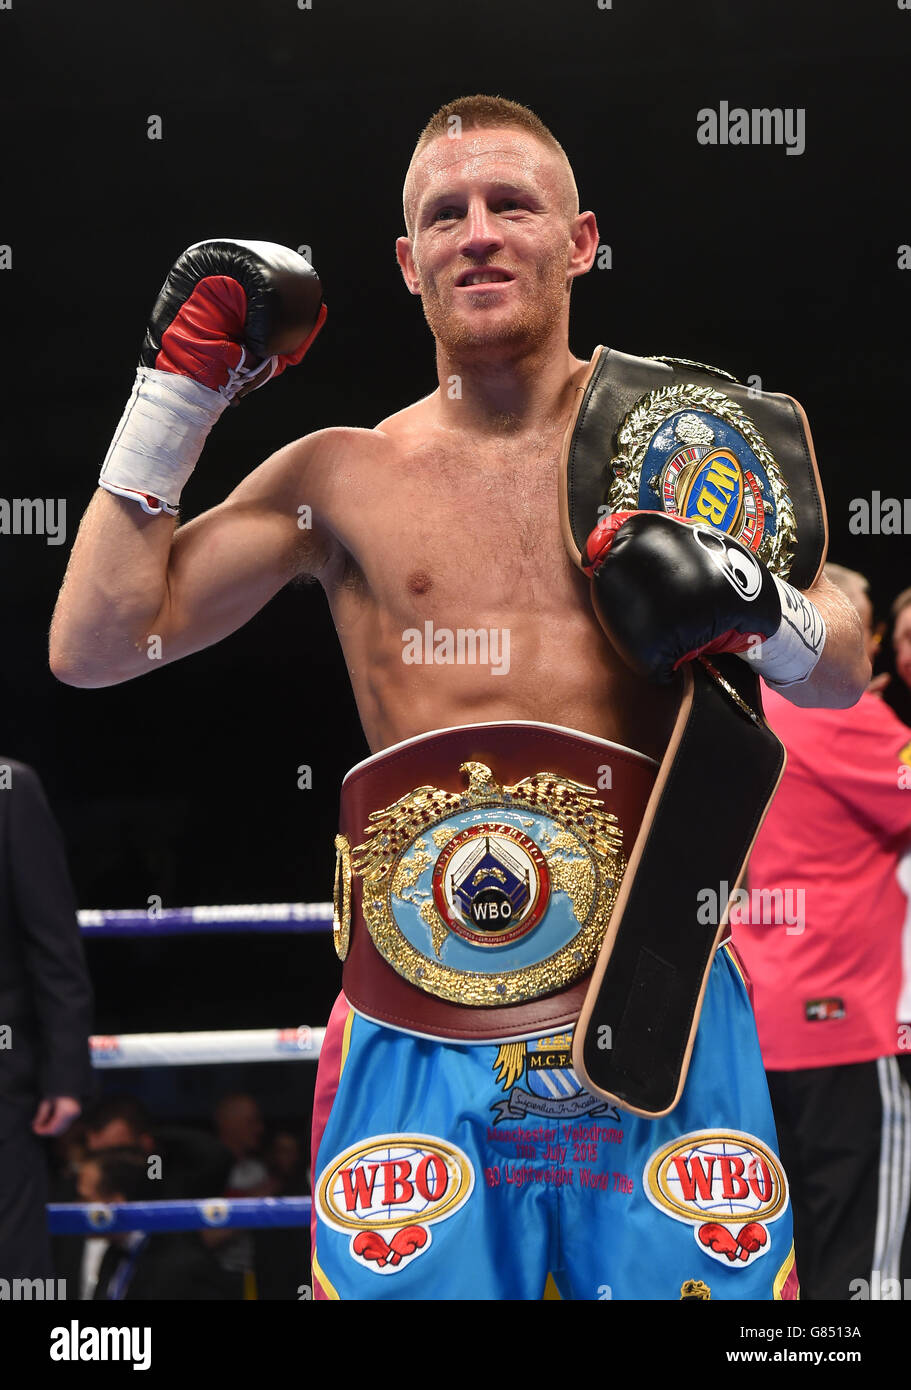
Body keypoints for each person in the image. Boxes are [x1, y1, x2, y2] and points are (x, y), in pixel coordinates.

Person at [49, 94, 869, 1299]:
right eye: (446, 213)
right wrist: (178, 397)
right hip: (419, 1020)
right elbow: (98, 643)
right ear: (406, 260)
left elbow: (842, 667)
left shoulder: (686, 447)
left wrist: (763, 601)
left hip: (657, 1007)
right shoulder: (341, 474)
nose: (477, 232)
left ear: (581, 239)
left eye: (511, 205)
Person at [732, 563, 911, 1299]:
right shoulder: (844, 716)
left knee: (780, 1263)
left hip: (755, 1029)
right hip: (848, 1024)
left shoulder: (734, 708)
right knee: (863, 1274)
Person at [0, 756, 94, 1286]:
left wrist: (65, 1077)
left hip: (5, 1080)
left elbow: (54, 944)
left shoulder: (11, 790)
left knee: (12, 1262)